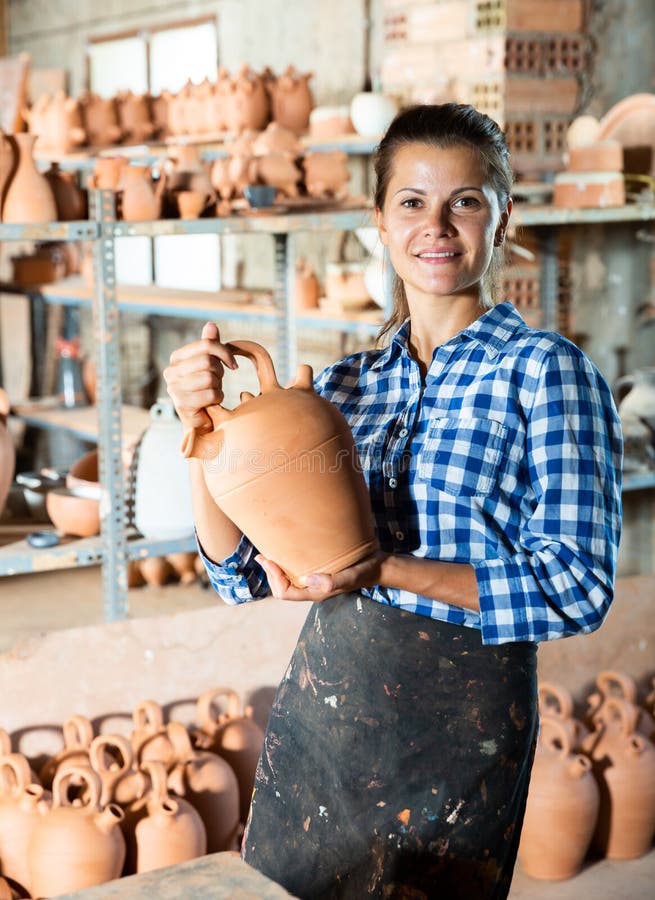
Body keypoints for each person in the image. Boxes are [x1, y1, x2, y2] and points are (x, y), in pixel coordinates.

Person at [164, 103, 623, 900]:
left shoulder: (546, 372)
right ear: (378, 219)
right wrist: (203, 427)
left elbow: (576, 586)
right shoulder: (344, 385)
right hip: (325, 720)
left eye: (465, 201)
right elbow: (236, 571)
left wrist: (383, 569)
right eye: (411, 201)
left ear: (502, 215)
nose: (436, 226)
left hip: (460, 731)